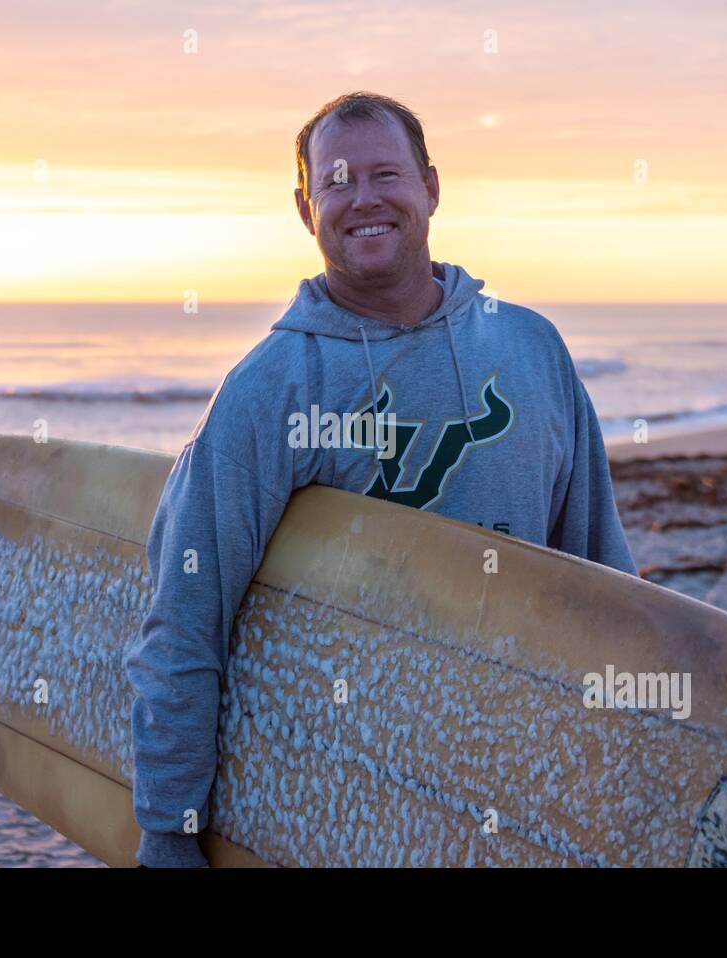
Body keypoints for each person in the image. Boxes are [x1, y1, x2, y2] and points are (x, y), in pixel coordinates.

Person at [125, 92, 637, 868]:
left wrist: (633, 760)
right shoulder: (274, 387)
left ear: (431, 186)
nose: (362, 198)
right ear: (306, 208)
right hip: (348, 809)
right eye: (336, 181)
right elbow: (187, 616)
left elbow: (604, 575)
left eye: (385, 174)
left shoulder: (531, 350)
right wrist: (170, 831)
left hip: (526, 795)